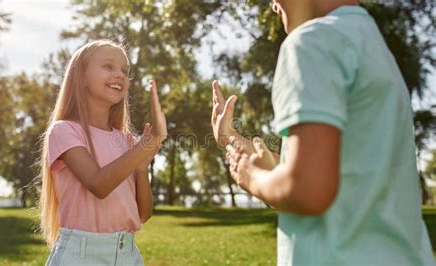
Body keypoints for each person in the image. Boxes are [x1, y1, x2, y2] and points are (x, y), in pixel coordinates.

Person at [211, 1, 434, 265]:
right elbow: (331, 181)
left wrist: (253, 178)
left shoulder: (311, 42)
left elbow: (307, 190)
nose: (272, 4)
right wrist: (238, 145)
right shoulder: (374, 49)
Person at [38, 39, 167, 265]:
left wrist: (141, 168)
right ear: (82, 77)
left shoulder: (126, 141)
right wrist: (147, 143)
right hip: (80, 256)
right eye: (108, 66)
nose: (120, 75)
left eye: (125, 71)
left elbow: (142, 214)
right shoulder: (64, 131)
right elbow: (98, 184)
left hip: (128, 254)